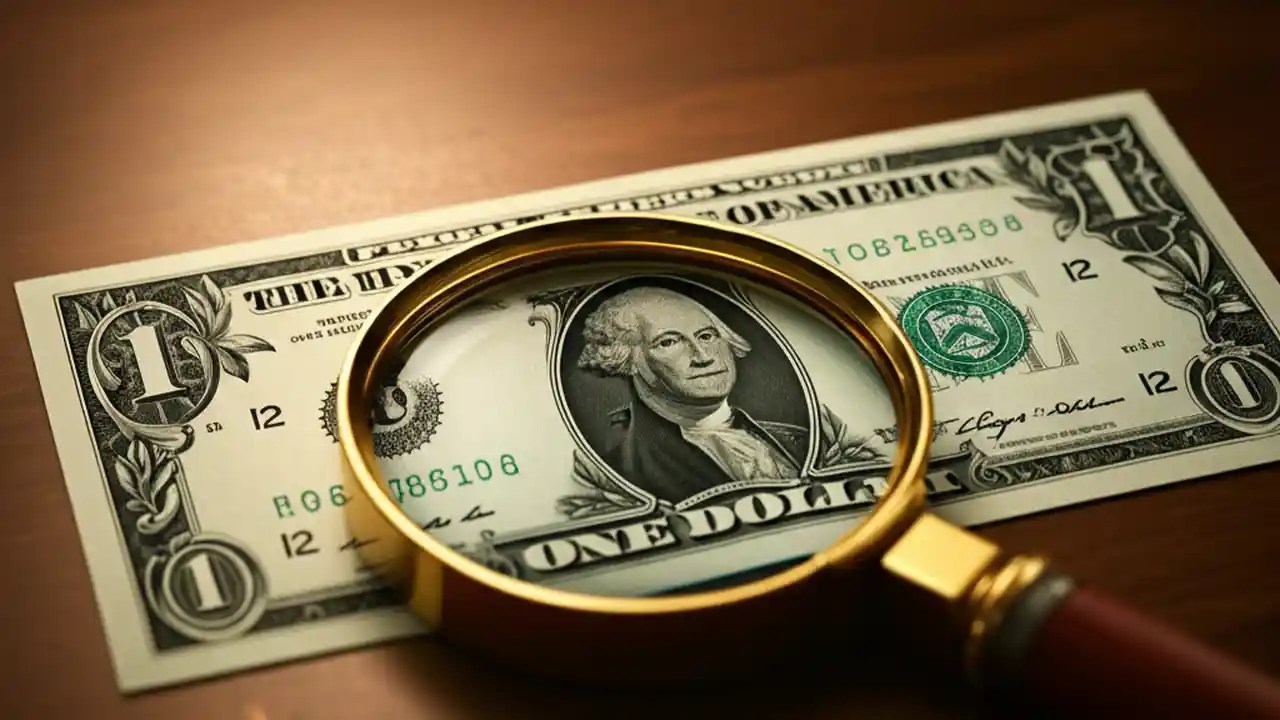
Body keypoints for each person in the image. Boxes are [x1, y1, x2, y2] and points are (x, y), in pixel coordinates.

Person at [566, 285, 876, 509]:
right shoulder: (622, 471)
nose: (703, 356)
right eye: (669, 342)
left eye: (706, 336)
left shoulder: (804, 438)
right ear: (626, 360)